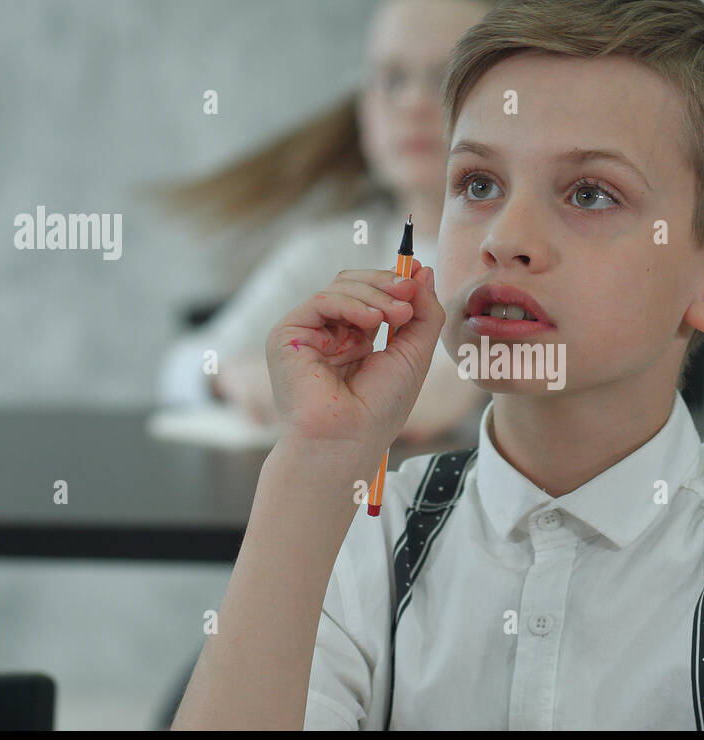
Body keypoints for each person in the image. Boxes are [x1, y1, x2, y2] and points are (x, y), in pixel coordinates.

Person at [171, 0, 704, 731]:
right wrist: (314, 459)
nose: (505, 236)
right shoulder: (364, 531)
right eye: (478, 184)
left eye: (590, 193)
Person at [155, 0, 491, 444]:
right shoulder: (332, 251)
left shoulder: (522, 257)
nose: (413, 103)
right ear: (363, 107)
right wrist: (235, 376)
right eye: (392, 79)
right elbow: (183, 367)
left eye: (446, 79)